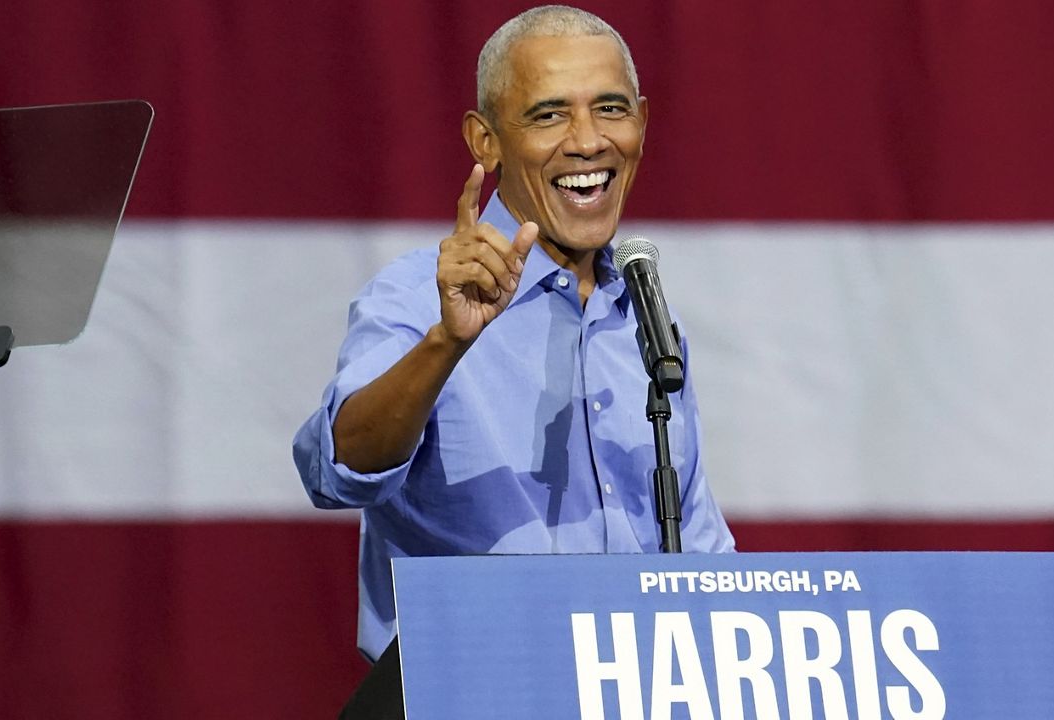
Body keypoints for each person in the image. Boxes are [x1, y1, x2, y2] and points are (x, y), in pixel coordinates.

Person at [292, 5, 734, 715]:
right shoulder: (419, 296)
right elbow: (341, 469)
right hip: (472, 691)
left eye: (610, 109)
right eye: (550, 115)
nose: (588, 141)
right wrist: (448, 342)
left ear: (641, 125)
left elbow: (701, 553)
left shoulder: (647, 316)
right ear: (485, 140)